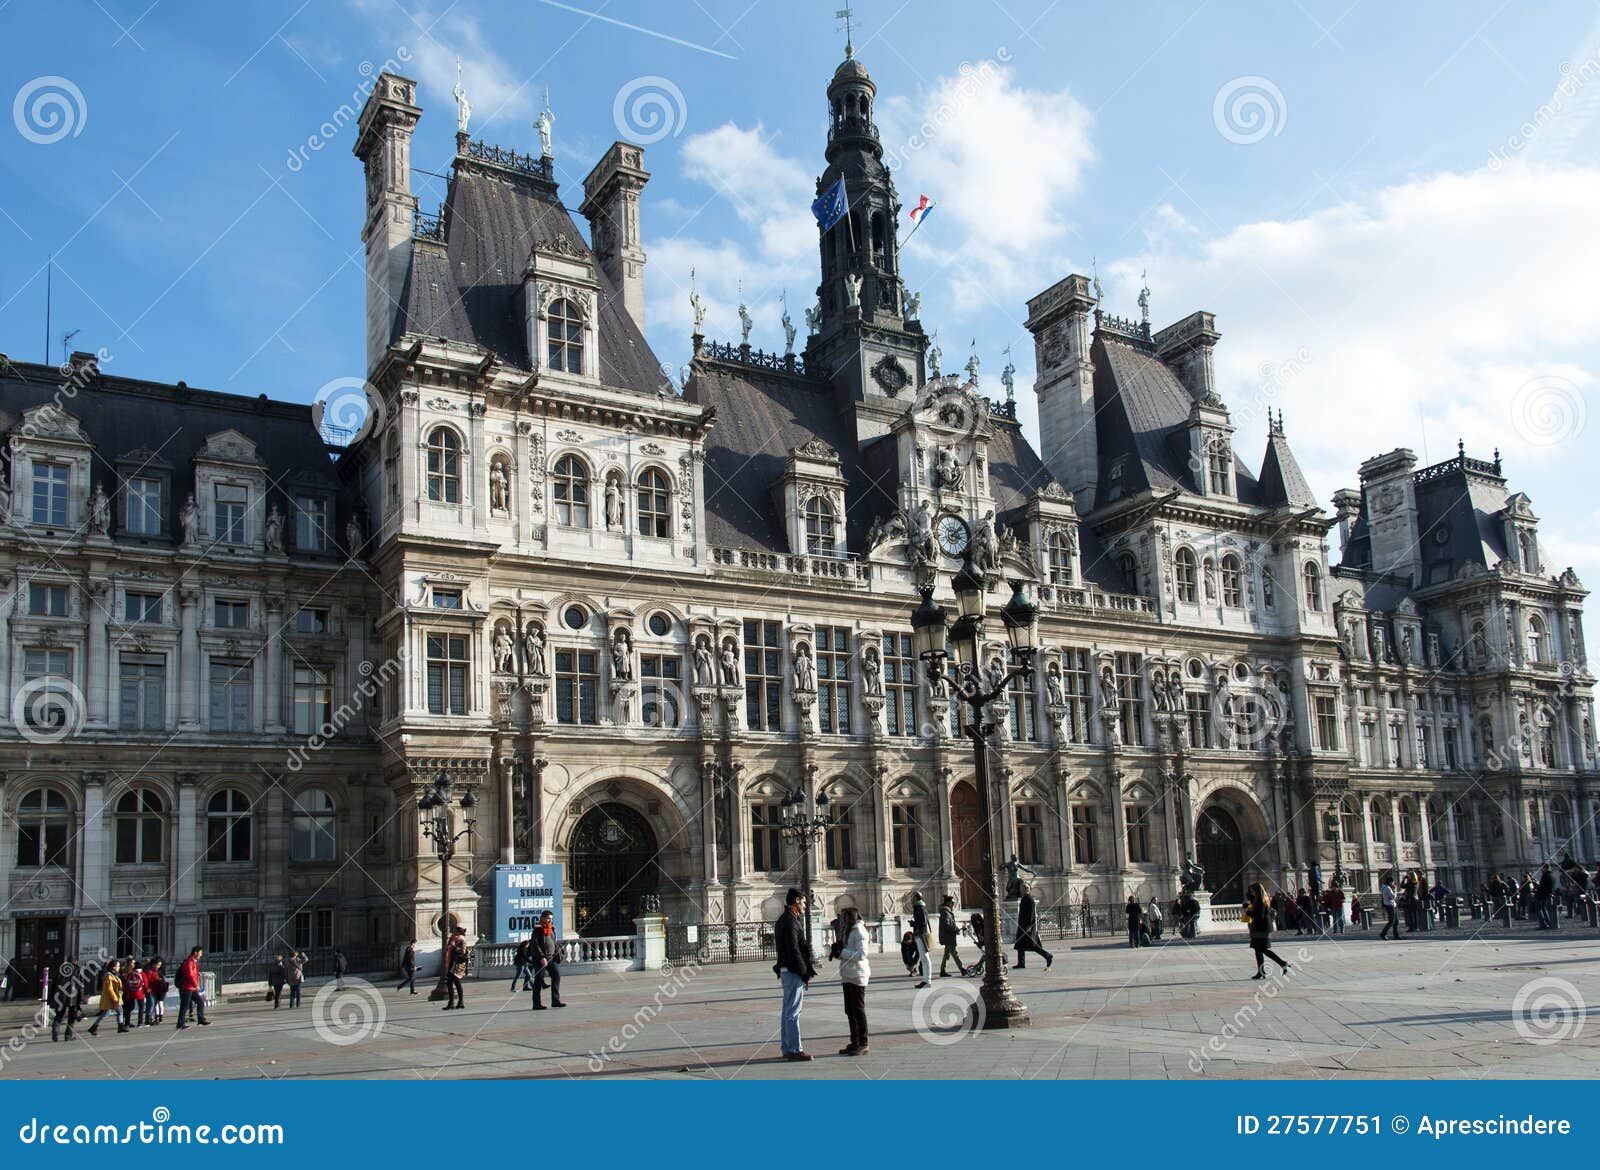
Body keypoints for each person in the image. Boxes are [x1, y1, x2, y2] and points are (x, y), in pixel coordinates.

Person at [773, 887, 816, 1061]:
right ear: (797, 901)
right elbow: (794, 950)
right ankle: (795, 1049)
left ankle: (787, 1047)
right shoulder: (791, 921)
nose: (806, 905)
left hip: (786, 969)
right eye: (804, 901)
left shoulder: (784, 919)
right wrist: (804, 972)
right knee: (793, 1012)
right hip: (792, 971)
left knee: (787, 1011)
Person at [837, 906, 871, 1056]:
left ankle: (863, 1043)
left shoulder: (859, 930)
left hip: (857, 975)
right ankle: (854, 1041)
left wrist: (842, 952)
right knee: (849, 1010)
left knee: (858, 1009)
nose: (841, 920)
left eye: (844, 917)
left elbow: (862, 954)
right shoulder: (849, 931)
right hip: (848, 974)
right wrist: (838, 952)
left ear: (850, 918)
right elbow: (847, 952)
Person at [1244, 882, 1290, 979]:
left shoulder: (1260, 902)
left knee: (1262, 949)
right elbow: (1250, 899)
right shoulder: (1261, 899)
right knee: (1258, 950)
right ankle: (1262, 971)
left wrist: (1248, 912)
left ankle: (1282, 963)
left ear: (1256, 891)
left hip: (1261, 928)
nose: (1250, 893)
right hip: (1262, 927)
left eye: (1252, 891)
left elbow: (1259, 916)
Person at [529, 911, 565, 1010]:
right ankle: (536, 1004)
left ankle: (555, 1001)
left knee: (556, 976)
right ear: (542, 918)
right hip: (540, 959)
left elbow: (553, 942)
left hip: (552, 958)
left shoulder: (551, 928)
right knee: (539, 980)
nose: (550, 920)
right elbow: (535, 945)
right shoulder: (537, 929)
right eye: (548, 918)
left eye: (551, 918)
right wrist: (541, 957)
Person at [1014, 885, 1054, 969]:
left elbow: (1031, 914)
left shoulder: (1029, 899)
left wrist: (1029, 926)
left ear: (1026, 890)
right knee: (1020, 944)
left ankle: (1047, 955)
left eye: (1021, 889)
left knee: (1033, 945)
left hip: (1027, 926)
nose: (1020, 891)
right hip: (1022, 925)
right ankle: (1021, 963)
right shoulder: (1024, 898)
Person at [174, 946, 210, 1029]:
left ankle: (201, 1019)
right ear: (195, 952)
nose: (201, 955)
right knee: (185, 1005)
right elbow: (190, 975)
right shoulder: (189, 962)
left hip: (191, 987)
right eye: (200, 953)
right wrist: (195, 985)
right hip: (187, 987)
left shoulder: (193, 962)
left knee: (200, 1002)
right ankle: (180, 1023)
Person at [87, 959, 125, 1035]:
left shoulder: (115, 975)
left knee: (118, 1011)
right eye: (117, 966)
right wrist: (115, 998)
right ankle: (94, 1027)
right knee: (109, 1013)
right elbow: (109, 989)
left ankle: (120, 1026)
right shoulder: (109, 976)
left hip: (116, 998)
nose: (119, 967)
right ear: (113, 967)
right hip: (111, 999)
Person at [50, 962, 83, 1041]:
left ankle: (55, 1031)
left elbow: (53, 984)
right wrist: (79, 1000)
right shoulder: (77, 970)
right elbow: (80, 986)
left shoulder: (59, 969)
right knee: (71, 1016)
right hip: (73, 997)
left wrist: (51, 998)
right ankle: (68, 1035)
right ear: (76, 962)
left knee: (59, 1015)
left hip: (59, 996)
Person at [938, 894, 968, 977]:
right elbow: (947, 925)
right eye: (952, 902)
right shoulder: (945, 912)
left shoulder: (947, 912)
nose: (954, 904)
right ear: (948, 903)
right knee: (955, 953)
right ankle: (962, 969)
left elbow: (951, 924)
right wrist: (955, 930)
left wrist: (956, 929)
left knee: (947, 954)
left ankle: (942, 970)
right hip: (948, 936)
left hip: (948, 936)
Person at [909, 891, 932, 988]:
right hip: (920, 934)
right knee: (924, 958)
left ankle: (927, 980)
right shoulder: (919, 908)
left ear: (916, 898)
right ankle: (926, 980)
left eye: (912, 898)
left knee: (925, 958)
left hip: (921, 935)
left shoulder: (920, 908)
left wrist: (913, 924)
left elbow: (923, 922)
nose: (911, 900)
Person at [443, 927, 468, 1010]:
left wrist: (452, 944)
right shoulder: (457, 939)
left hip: (456, 963)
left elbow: (460, 951)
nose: (453, 933)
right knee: (457, 982)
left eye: (454, 931)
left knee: (450, 982)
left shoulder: (460, 939)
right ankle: (460, 1002)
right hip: (457, 963)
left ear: (457, 932)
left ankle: (452, 1003)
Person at [144, 958, 168, 1025]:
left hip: (155, 990)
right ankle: (148, 1019)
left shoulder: (156, 971)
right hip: (150, 990)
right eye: (158, 965)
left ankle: (151, 1018)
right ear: (153, 964)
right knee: (151, 1004)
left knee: (153, 1004)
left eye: (160, 965)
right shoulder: (150, 971)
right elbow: (147, 980)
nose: (158, 967)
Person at [122, 960, 145, 1030]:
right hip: (139, 993)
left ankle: (127, 1023)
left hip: (130, 993)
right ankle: (140, 1022)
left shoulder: (130, 974)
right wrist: (146, 991)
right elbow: (146, 984)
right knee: (141, 1008)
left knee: (128, 1008)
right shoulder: (141, 974)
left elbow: (125, 984)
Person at [1378, 874, 1402, 940]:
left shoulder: (1384, 887)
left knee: (1396, 921)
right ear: (1390, 882)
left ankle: (1396, 935)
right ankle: (1383, 933)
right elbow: (1393, 897)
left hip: (1391, 905)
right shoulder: (1387, 888)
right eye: (1393, 882)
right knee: (1392, 921)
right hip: (1390, 905)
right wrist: (1395, 890)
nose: (1394, 883)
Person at [1536, 863, 1558, 929]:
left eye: (1542, 867)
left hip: (1544, 895)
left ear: (1545, 868)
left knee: (1540, 910)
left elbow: (1543, 887)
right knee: (1545, 910)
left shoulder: (1545, 875)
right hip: (1548, 894)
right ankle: (1549, 923)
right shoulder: (1551, 875)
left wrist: (1537, 886)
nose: (1541, 869)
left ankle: (1544, 924)